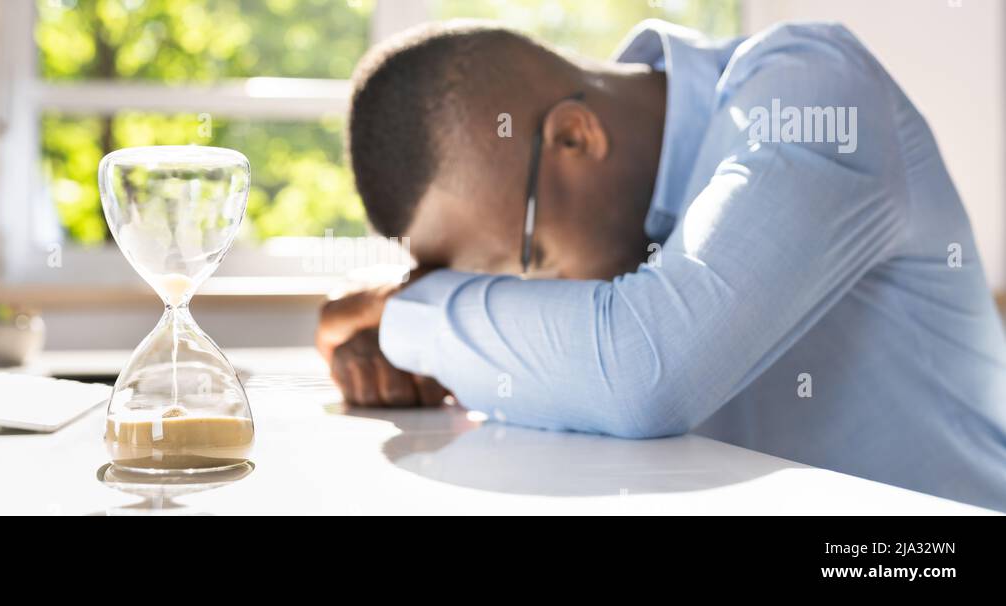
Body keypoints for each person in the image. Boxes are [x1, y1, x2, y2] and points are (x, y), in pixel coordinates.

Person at [316, 19, 1006, 510]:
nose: (539, 301)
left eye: (527, 262)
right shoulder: (612, 231)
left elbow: (649, 369)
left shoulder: (812, 89)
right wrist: (427, 351)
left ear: (575, 136)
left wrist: (413, 313)